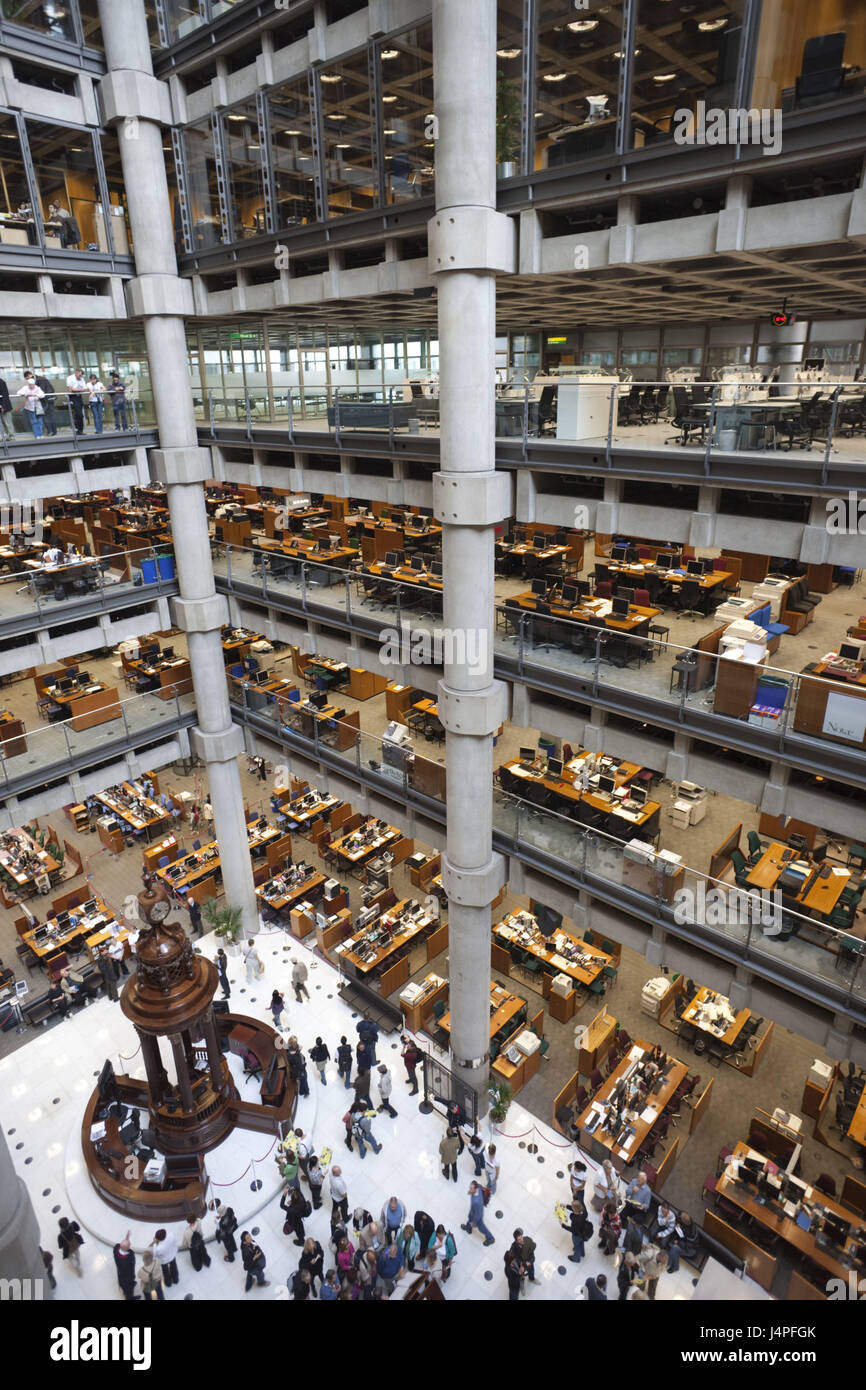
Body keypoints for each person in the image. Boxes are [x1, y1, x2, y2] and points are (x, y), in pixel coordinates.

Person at [462, 1180, 495, 1246]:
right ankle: (468, 1228)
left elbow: (478, 1214)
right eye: (470, 1187)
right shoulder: (478, 1188)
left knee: (481, 1228)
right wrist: (470, 1192)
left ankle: (490, 1238)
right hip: (473, 1211)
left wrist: (474, 1222)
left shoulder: (476, 1202)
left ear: (475, 1188)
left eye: (471, 1188)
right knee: (470, 1218)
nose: (470, 1189)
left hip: (477, 1215)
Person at [15, 373, 46, 438]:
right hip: (30, 407)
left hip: (38, 407)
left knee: (40, 421)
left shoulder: (37, 388)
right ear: (28, 384)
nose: (31, 386)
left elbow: (42, 395)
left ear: (34, 384)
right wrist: (26, 394)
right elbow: (18, 393)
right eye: (30, 385)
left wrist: (36, 395)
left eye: (32, 385)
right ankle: (37, 435)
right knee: (33, 421)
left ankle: (40, 434)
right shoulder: (25, 388)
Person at [563, 1197, 591, 1264]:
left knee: (577, 1246)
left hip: (577, 1235)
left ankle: (576, 1258)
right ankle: (582, 1253)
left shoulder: (576, 1220)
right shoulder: (583, 1211)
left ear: (575, 1210)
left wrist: (563, 1225)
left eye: (572, 1207)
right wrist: (566, 1206)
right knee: (581, 1243)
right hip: (583, 1233)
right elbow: (575, 1209)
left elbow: (573, 1230)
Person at [113, 1235, 138, 1299]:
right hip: (127, 1278)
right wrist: (132, 1278)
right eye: (129, 1246)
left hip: (121, 1274)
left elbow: (121, 1245)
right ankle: (129, 1297)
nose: (130, 1246)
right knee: (129, 1290)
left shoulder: (116, 1248)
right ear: (127, 1248)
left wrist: (126, 1239)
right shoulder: (128, 1260)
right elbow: (130, 1270)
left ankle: (125, 1289)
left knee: (123, 1284)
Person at [66, 368, 87, 433]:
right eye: (79, 375)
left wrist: (76, 389)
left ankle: (81, 430)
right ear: (76, 373)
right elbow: (70, 390)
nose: (80, 377)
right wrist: (80, 390)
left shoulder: (82, 379)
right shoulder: (70, 378)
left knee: (81, 414)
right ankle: (77, 429)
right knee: (78, 413)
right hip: (73, 397)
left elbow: (85, 388)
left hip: (79, 396)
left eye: (81, 375)